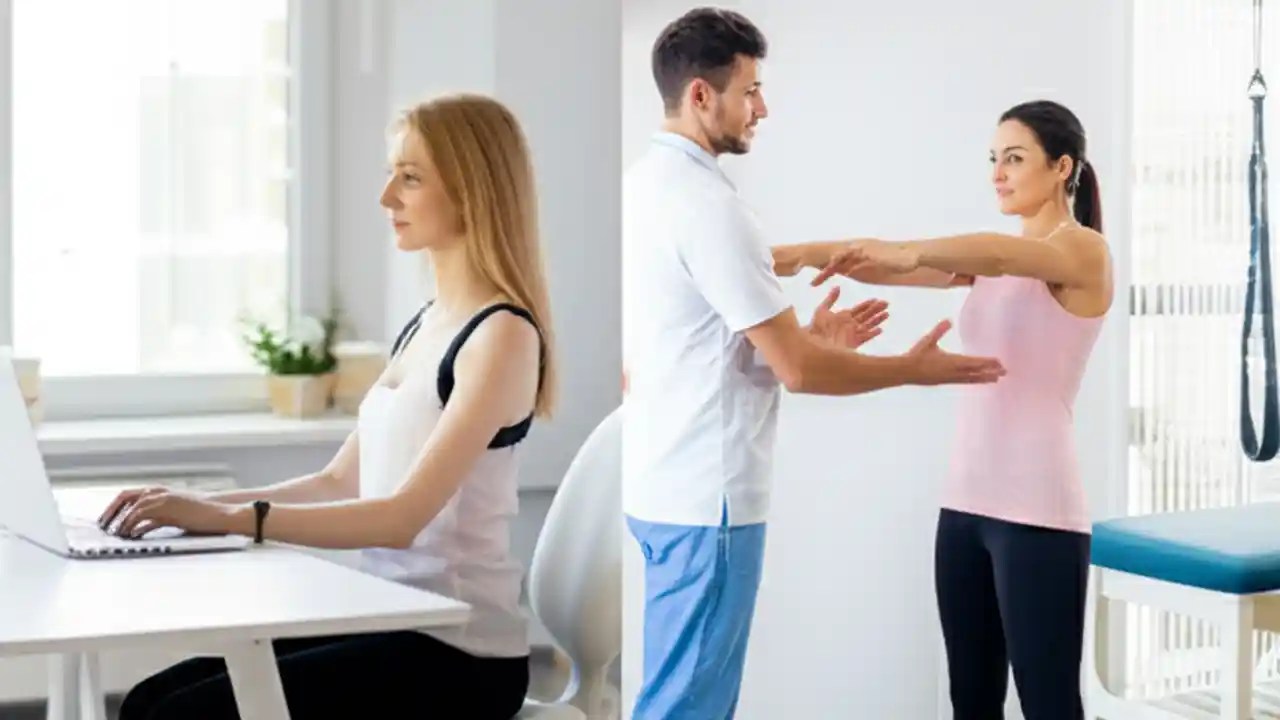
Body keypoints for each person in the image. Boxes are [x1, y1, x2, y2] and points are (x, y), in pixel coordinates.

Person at [99, 93, 554, 720]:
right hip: (388, 616)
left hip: (458, 650)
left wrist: (229, 519)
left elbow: (400, 518)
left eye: (411, 178)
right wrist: (188, 506)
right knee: (151, 699)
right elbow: (337, 481)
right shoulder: (427, 324)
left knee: (183, 716)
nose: (387, 196)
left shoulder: (501, 334)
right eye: (392, 173)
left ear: (472, 192)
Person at [622, 8, 1007, 719]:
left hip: (660, 492)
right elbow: (797, 372)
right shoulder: (709, 206)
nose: (762, 108)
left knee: (675, 695)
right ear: (702, 96)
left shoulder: (644, 186)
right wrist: (909, 370)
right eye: (751, 91)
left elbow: (701, 344)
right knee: (687, 708)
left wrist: (811, 342)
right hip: (710, 503)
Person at [775, 99, 1112, 719]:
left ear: (1062, 167)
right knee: (970, 701)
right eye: (992, 159)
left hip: (1038, 513)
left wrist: (912, 252)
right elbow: (892, 259)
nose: (997, 173)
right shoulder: (984, 264)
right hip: (963, 507)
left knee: (1049, 704)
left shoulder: (1081, 253)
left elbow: (1000, 255)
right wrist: (798, 253)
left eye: (1014, 158)